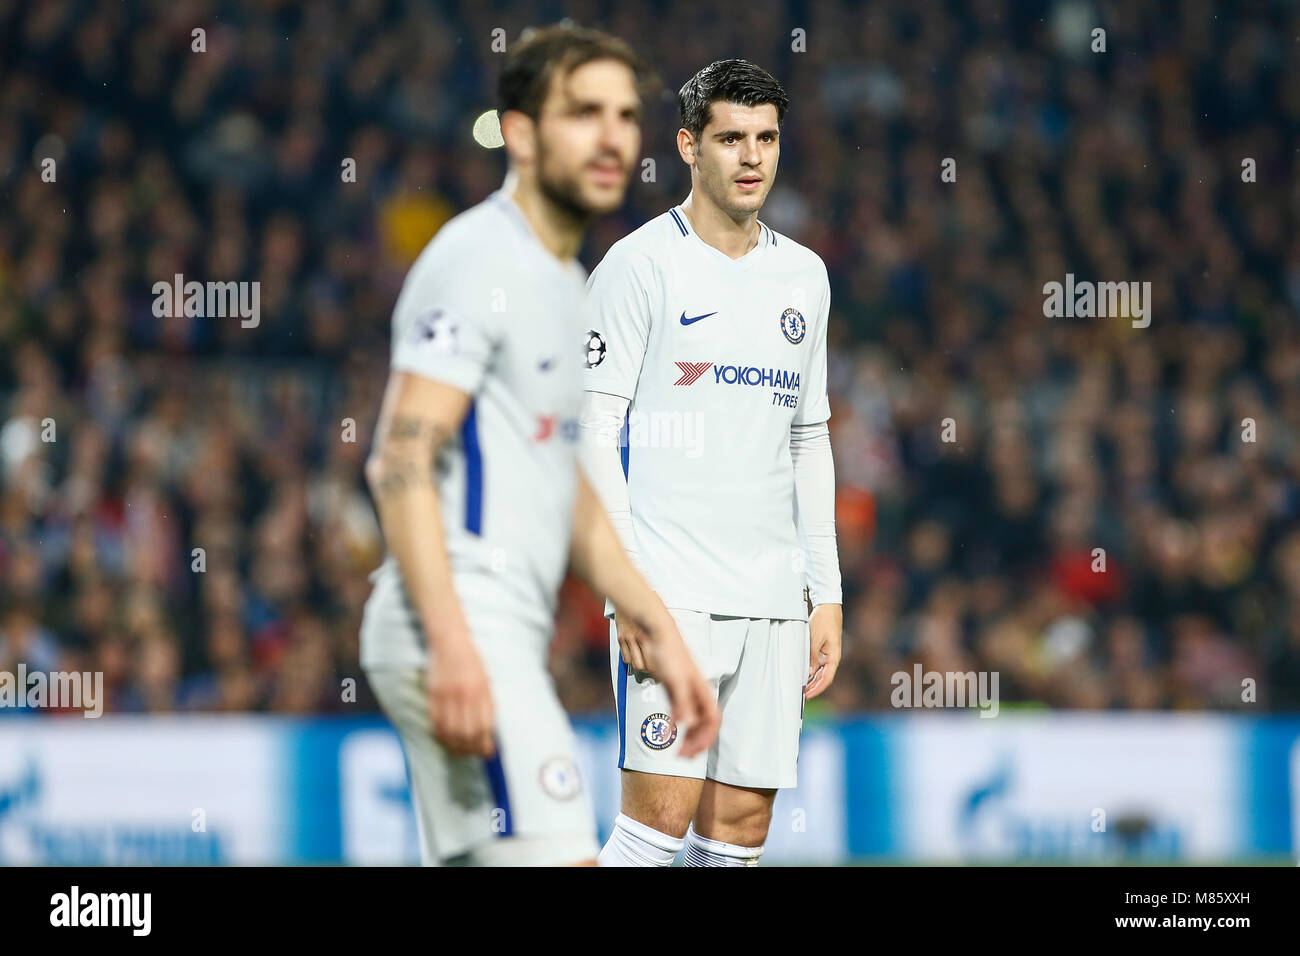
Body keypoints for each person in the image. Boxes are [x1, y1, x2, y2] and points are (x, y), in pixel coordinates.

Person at [360, 23, 719, 868]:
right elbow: (399, 459)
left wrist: (656, 627)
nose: (612, 137)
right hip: (459, 624)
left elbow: (569, 491)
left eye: (626, 115)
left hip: (486, 631)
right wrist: (451, 644)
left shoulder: (560, 283)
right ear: (519, 133)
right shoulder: (480, 259)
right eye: (582, 112)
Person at [579, 59, 842, 867]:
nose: (752, 156)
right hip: (674, 591)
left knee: (736, 837)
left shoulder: (805, 275)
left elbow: (809, 438)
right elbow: (592, 432)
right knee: (655, 826)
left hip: (772, 598)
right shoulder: (639, 265)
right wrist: (628, 592)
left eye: (766, 138)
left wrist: (824, 593)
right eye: (731, 138)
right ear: (690, 146)